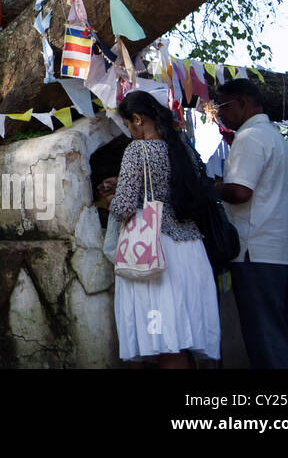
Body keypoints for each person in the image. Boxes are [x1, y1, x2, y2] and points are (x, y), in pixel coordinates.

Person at [107, 90, 220, 367]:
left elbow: (123, 207)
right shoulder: (184, 148)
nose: (130, 132)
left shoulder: (138, 150)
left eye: (129, 125)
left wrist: (112, 197)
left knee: (166, 341)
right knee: (184, 336)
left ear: (137, 119)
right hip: (192, 251)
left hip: (155, 251)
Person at [216, 78, 288, 368]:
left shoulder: (250, 137)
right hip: (283, 250)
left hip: (257, 251)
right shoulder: (277, 139)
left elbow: (241, 192)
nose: (218, 113)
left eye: (222, 106)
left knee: (267, 341)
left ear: (242, 103)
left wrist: (209, 187)